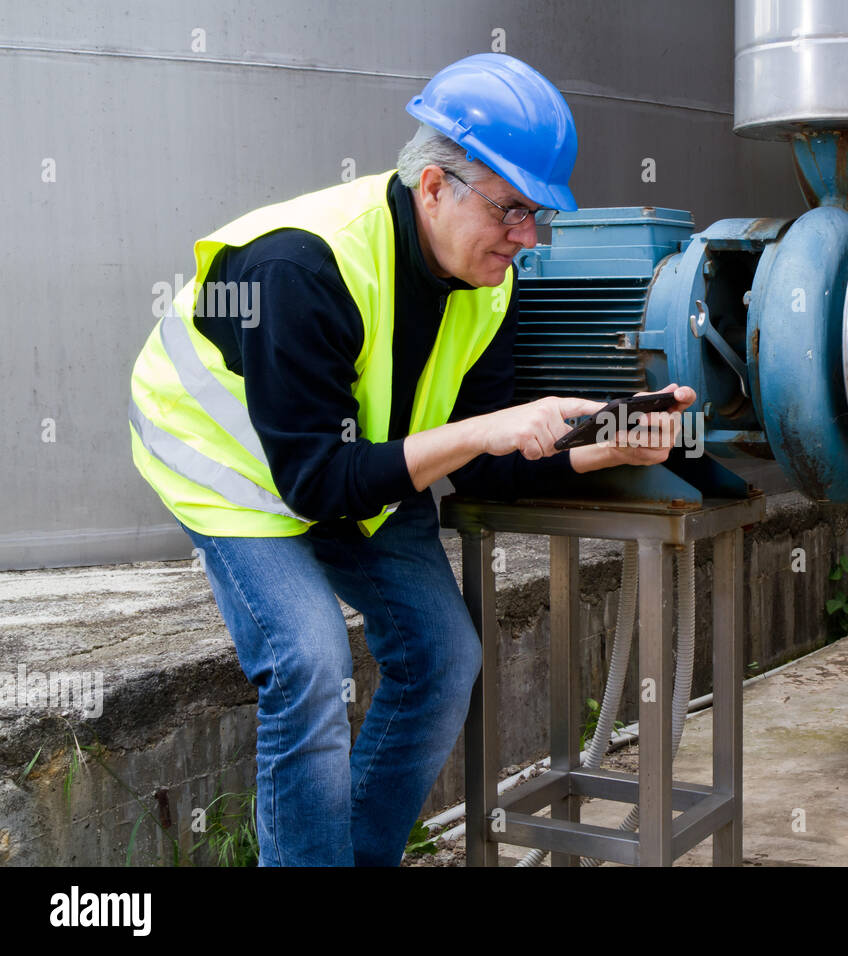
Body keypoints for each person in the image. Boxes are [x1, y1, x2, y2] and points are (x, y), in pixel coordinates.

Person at [127, 52, 695, 866]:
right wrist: (482, 431)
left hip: (357, 464)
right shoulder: (303, 267)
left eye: (537, 215)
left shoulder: (488, 279)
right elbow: (321, 484)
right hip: (236, 469)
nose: (527, 238)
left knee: (444, 656)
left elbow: (489, 464)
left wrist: (601, 444)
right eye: (511, 211)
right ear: (434, 186)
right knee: (310, 662)